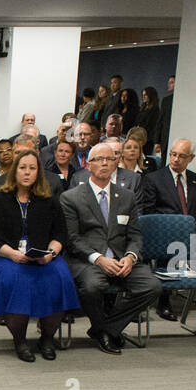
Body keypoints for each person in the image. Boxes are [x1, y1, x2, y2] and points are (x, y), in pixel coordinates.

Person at [0, 152, 76, 362]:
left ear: (39, 172)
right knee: (16, 279)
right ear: (15, 170)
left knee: (59, 277)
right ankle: (20, 340)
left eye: (32, 168)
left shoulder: (48, 200)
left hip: (42, 254)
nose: (27, 172)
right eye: (23, 168)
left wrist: (51, 254)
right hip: (2, 254)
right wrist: (12, 254)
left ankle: (46, 338)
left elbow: (60, 233)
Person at [59, 142, 160, 355]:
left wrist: (131, 257)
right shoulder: (71, 197)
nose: (105, 163)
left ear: (116, 163)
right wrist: (98, 259)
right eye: (99, 159)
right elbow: (73, 239)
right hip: (88, 260)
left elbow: (134, 235)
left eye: (110, 159)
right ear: (88, 165)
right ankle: (106, 330)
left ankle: (104, 328)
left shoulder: (126, 197)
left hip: (121, 258)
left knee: (152, 286)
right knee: (93, 286)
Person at [143, 138, 196, 321]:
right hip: (165, 233)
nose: (176, 159)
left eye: (181, 156)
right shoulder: (154, 179)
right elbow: (149, 212)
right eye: (173, 154)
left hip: (194, 231)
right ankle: (164, 301)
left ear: (191, 158)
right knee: (170, 249)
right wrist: (175, 228)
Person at [134, 88, 161, 156]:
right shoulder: (142, 108)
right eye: (143, 95)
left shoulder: (155, 110)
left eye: (145, 95)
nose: (143, 97)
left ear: (151, 96)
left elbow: (152, 125)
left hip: (147, 139)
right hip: (138, 137)